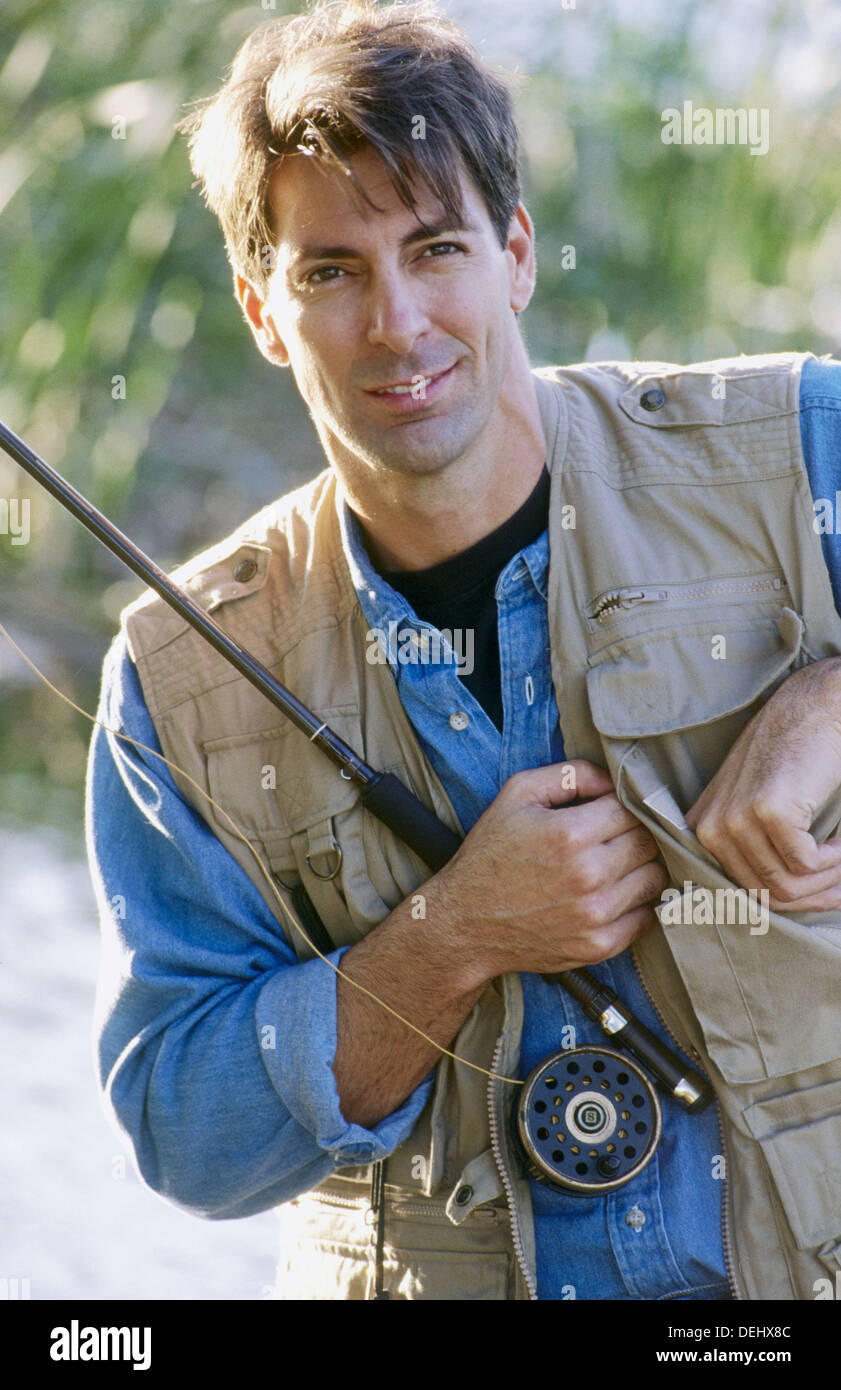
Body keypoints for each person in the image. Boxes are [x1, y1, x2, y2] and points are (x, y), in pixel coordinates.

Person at [88, 0, 841, 1301]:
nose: (396, 322)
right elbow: (185, 1133)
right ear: (263, 312)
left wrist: (828, 700)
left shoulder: (800, 438)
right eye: (330, 270)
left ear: (517, 254)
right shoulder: (178, 671)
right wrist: (446, 939)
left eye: (434, 248)